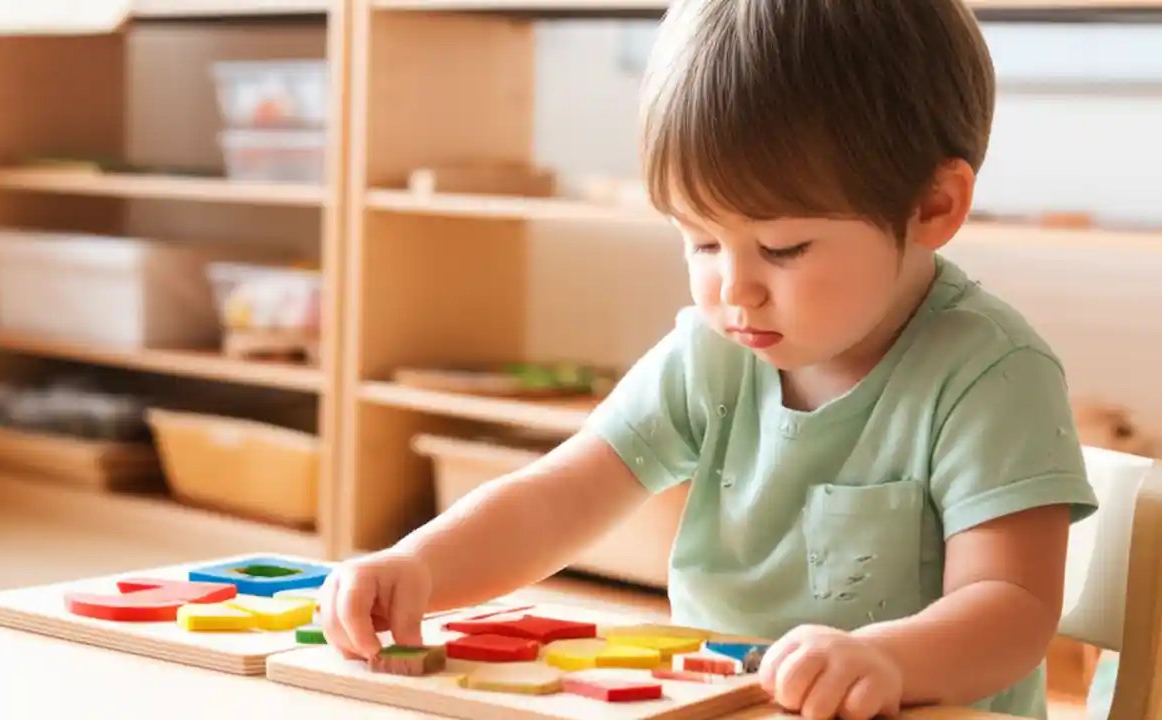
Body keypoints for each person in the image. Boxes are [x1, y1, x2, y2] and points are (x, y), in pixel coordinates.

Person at [319, 2, 1099, 718]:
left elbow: (1012, 609)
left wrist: (887, 661)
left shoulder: (991, 372)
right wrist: (418, 564)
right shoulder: (710, 353)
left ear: (932, 208)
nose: (735, 290)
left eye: (781, 248)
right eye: (698, 239)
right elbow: (559, 496)